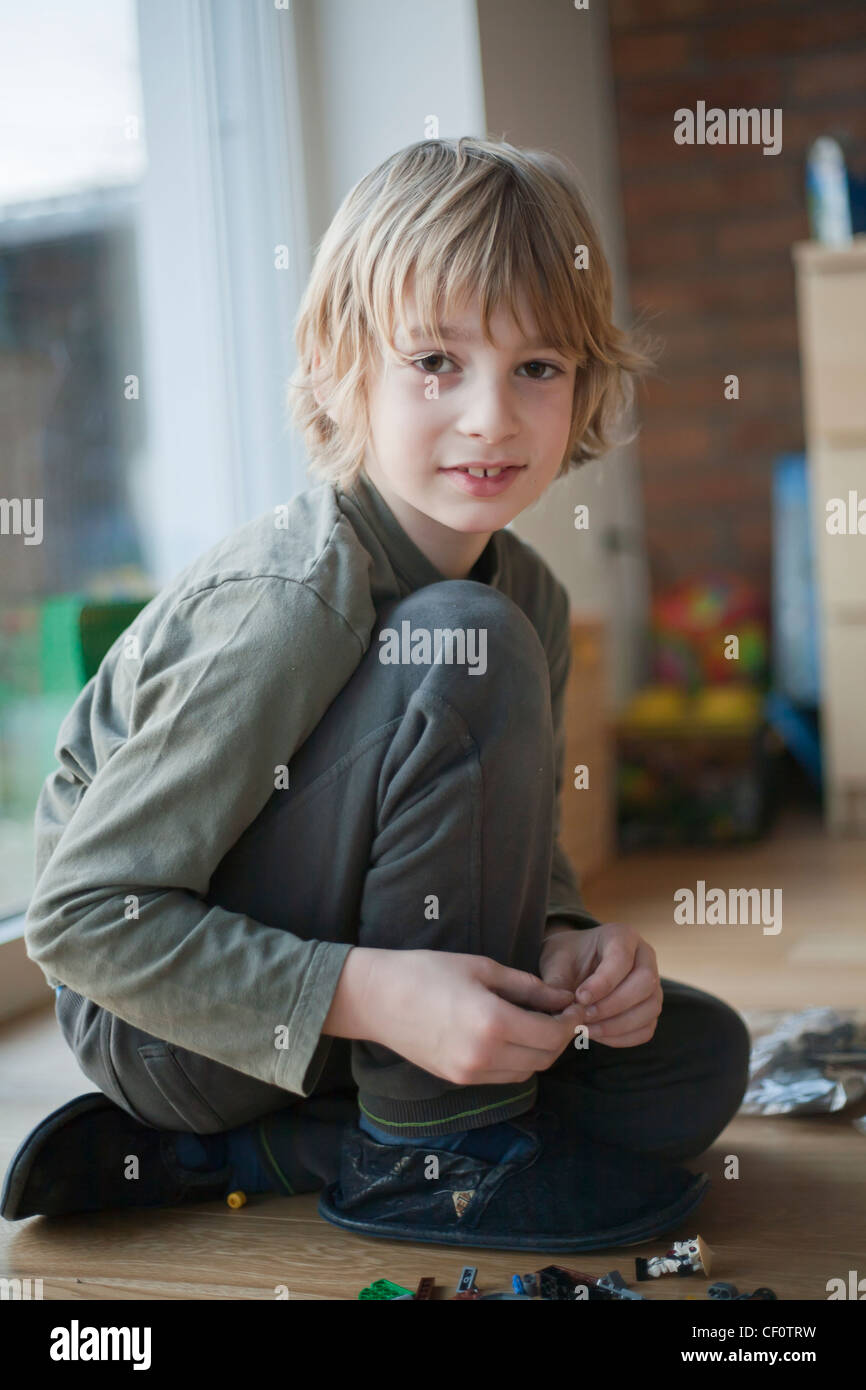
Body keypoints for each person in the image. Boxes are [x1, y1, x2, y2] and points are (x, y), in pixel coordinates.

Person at [2, 137, 750, 1251]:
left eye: (537, 367)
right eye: (435, 363)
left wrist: (564, 942)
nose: (491, 415)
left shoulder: (525, 595)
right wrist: (370, 995)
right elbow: (79, 919)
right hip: (170, 1028)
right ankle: (424, 1153)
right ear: (346, 368)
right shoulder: (290, 598)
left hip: (320, 1020)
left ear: (584, 384)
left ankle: (271, 1153)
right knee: (461, 644)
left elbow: (509, 853)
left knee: (691, 1065)